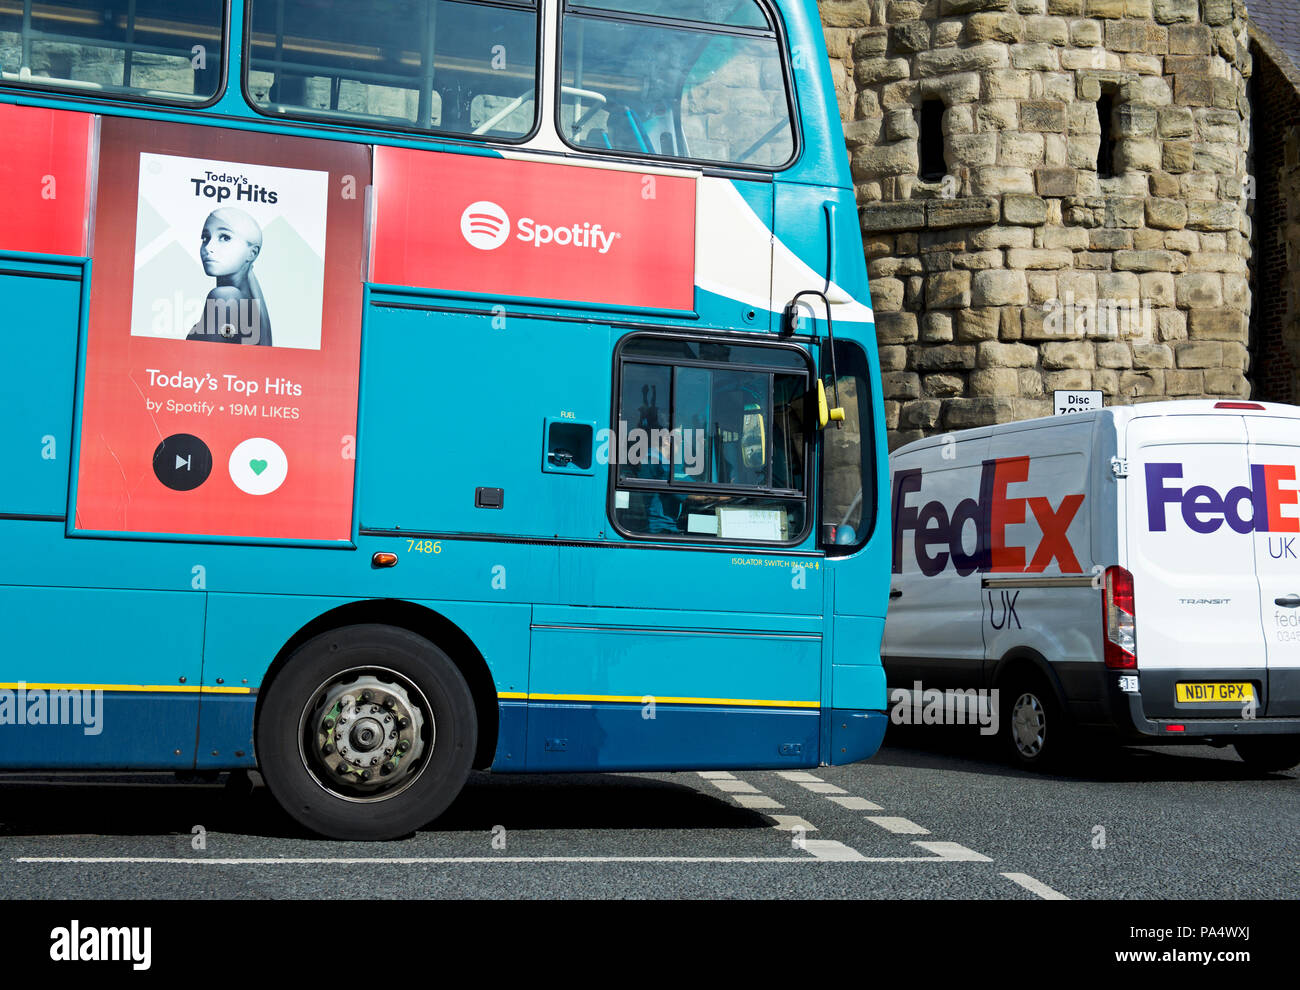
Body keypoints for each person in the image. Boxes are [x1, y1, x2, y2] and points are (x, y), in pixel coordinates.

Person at [186, 207, 273, 346]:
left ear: (252, 253)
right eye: (205, 238)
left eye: (225, 238)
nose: (208, 247)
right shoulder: (252, 303)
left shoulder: (226, 297)